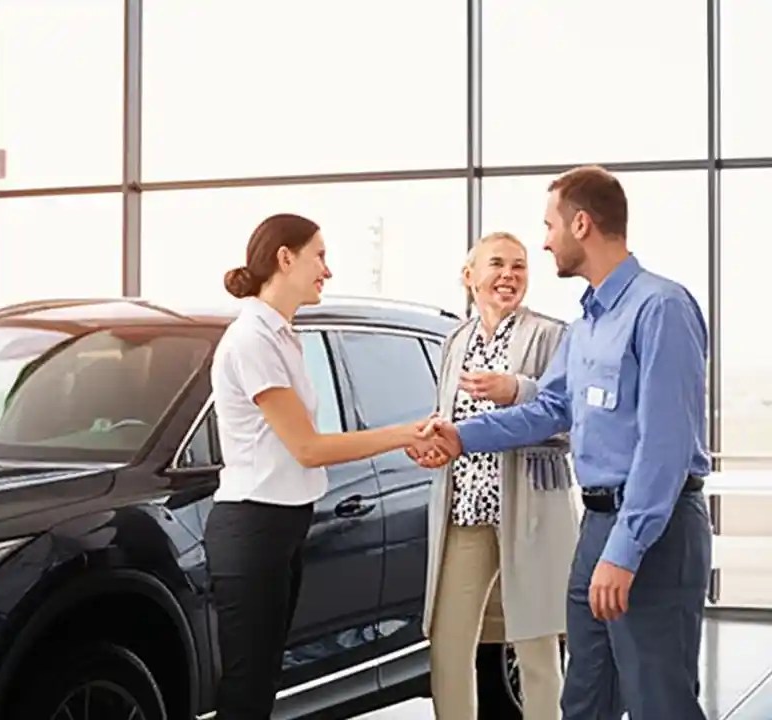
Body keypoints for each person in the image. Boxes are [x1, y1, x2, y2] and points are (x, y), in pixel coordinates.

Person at [411, 165, 712, 720]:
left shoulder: (661, 308)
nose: (544, 241)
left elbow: (664, 447)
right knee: (584, 699)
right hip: (597, 526)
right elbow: (550, 410)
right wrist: (461, 435)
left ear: (581, 223)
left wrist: (625, 551)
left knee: (657, 699)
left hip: (655, 530)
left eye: (549, 227)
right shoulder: (589, 322)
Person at [205, 213, 436, 720]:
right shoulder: (252, 340)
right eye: (320, 256)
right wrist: (404, 433)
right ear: (285, 258)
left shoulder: (284, 336)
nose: (327, 271)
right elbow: (307, 448)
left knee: (264, 678)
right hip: (253, 525)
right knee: (247, 686)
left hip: (284, 522)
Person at [424, 231, 578, 720]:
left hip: (527, 511)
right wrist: (431, 441)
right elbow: (446, 415)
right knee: (448, 643)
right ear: (469, 277)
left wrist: (518, 389)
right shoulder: (454, 342)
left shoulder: (552, 335)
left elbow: (570, 419)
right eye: (497, 264)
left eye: (519, 266)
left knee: (535, 645)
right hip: (466, 511)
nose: (508, 276)